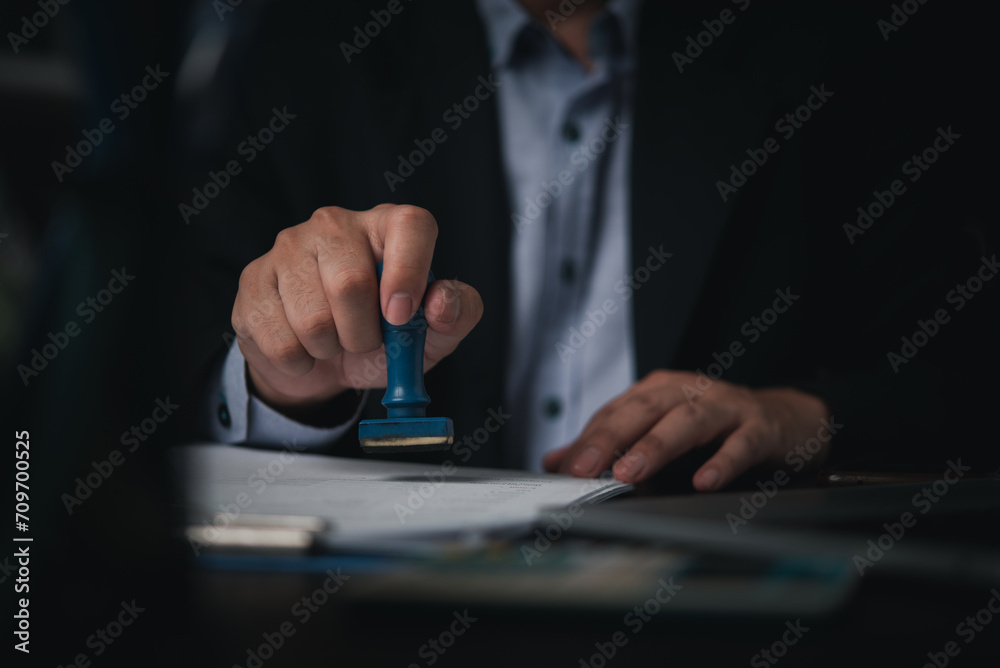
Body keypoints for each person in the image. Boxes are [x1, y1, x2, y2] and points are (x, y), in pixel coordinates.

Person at [175, 1, 996, 490]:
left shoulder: (851, 41)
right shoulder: (300, 52)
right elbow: (144, 406)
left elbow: (964, 370)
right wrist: (284, 391)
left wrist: (804, 418)